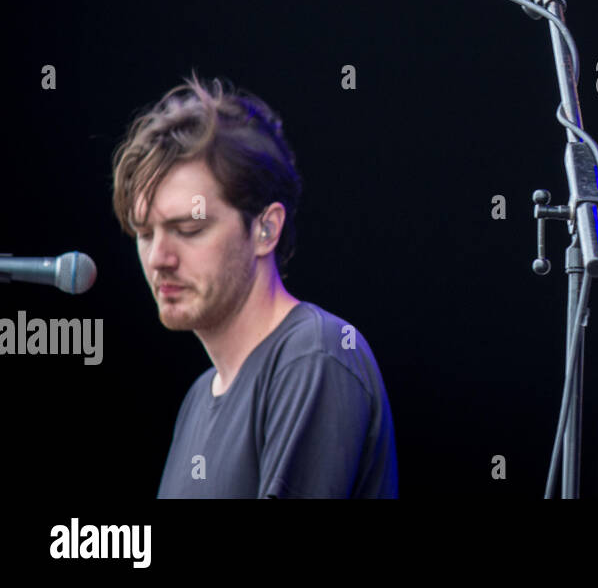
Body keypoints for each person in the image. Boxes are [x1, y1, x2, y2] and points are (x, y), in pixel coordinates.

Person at [111, 74, 398, 498]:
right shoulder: (197, 400)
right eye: (145, 233)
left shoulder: (316, 352)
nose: (159, 258)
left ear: (266, 229)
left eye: (189, 228)